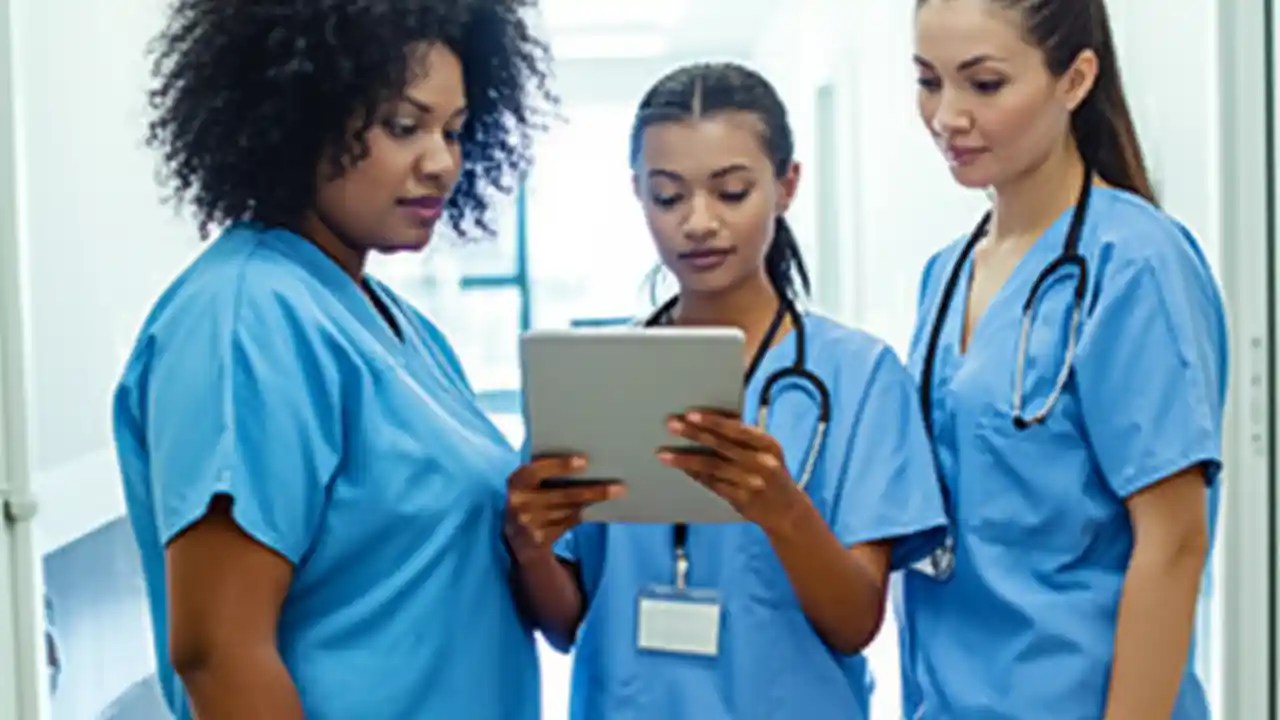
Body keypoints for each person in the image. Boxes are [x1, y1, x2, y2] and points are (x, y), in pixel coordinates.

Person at [109, 1, 606, 718]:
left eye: (455, 132)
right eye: (403, 126)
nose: (441, 163)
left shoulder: (398, 326)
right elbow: (218, 654)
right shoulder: (247, 314)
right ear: (302, 117)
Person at [503, 61, 950, 720]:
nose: (698, 222)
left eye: (731, 191)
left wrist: (782, 511)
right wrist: (530, 545)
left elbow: (856, 622)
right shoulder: (595, 377)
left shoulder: (858, 376)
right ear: (637, 194)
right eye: (668, 195)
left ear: (786, 185)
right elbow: (569, 626)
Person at [899, 1, 1229, 718]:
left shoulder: (1135, 264)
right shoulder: (945, 274)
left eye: (983, 84)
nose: (947, 116)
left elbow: (1173, 542)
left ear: (1075, 80)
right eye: (929, 81)